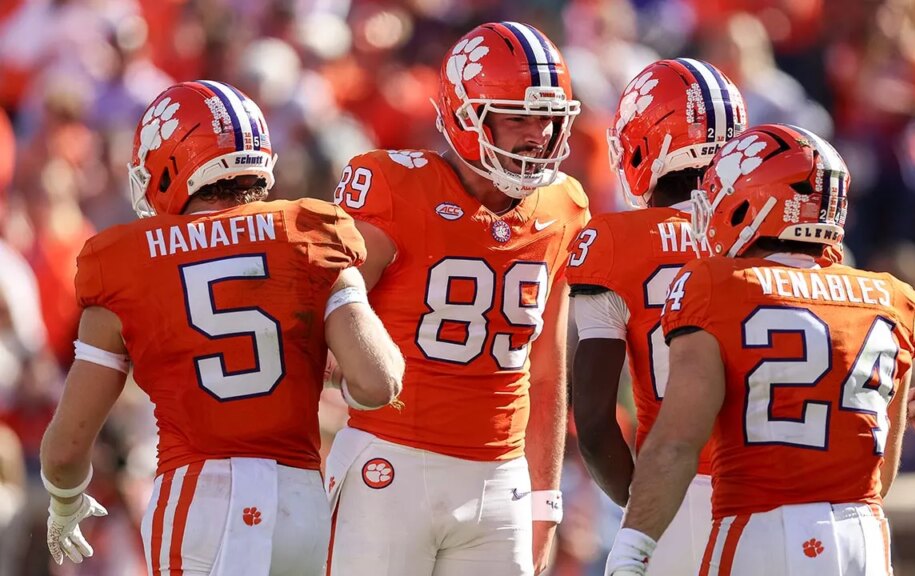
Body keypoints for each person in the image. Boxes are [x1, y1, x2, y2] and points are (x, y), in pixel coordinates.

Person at [38, 80, 404, 575]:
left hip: (200, 500)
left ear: (170, 167)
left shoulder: (123, 261)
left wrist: (65, 503)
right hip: (301, 505)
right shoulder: (310, 235)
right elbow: (378, 381)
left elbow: (65, 450)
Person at [325, 21, 589, 576]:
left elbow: (547, 371)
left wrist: (546, 501)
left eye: (549, 118)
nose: (537, 135)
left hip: (502, 479)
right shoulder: (393, 186)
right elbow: (321, 325)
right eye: (519, 116)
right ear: (468, 115)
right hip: (390, 459)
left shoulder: (563, 205)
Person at [605, 124, 915, 576]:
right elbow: (882, 475)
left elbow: (675, 445)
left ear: (749, 203)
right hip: (862, 537)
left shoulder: (714, 286)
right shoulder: (894, 298)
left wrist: (631, 549)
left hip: (759, 532)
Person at [566, 58, 746, 575]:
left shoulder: (613, 242)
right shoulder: (765, 237)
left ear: (647, 142)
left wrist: (644, 505)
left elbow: (596, 421)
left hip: (680, 490)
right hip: (779, 484)